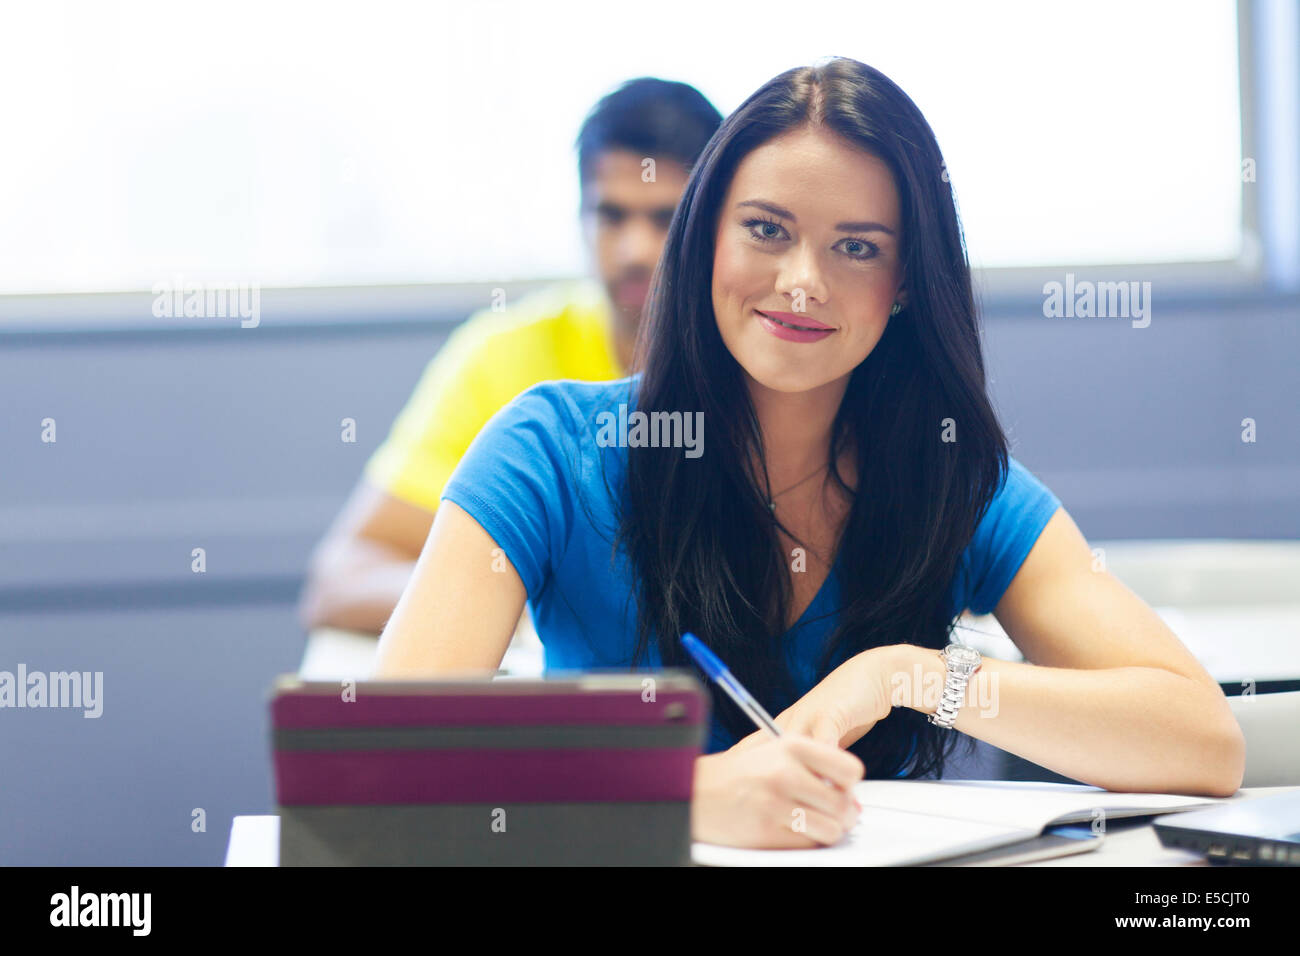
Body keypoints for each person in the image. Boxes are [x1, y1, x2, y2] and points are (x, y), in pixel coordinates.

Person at [373, 57, 1246, 849]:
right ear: (705, 237)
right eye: (765, 229)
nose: (802, 280)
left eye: (856, 247)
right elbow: (378, 764)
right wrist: (682, 794)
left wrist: (911, 675)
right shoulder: (549, 451)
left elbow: (1201, 742)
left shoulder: (948, 480)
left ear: (905, 284)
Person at [297, 78, 723, 634]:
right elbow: (340, 581)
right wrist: (507, 594)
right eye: (612, 215)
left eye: (665, 219)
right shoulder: (502, 356)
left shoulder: (760, 359)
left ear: (714, 226)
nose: (635, 250)